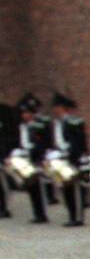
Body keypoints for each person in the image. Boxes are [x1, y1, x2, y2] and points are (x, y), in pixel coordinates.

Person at [49, 94, 89, 227]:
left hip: (73, 159)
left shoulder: (73, 122)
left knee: (75, 189)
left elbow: (77, 143)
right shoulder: (59, 123)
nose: (54, 110)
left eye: (56, 107)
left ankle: (78, 217)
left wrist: (69, 154)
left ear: (61, 107)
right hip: (62, 159)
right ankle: (71, 215)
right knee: (66, 189)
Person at [13, 93, 49, 224]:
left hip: (35, 159)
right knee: (31, 189)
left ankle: (42, 214)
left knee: (38, 189)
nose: (24, 115)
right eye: (23, 113)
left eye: (27, 113)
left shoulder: (38, 126)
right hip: (26, 160)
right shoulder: (23, 127)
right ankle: (37, 213)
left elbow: (42, 143)